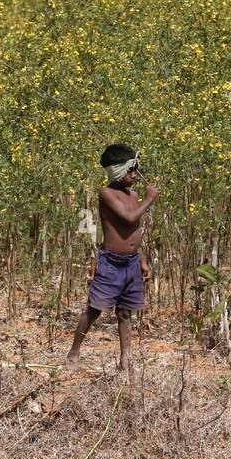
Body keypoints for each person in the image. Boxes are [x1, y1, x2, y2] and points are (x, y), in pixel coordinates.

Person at [66, 143, 159, 370]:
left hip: (131, 263)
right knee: (94, 308)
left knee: (125, 312)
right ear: (118, 172)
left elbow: (133, 231)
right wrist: (149, 199)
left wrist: (142, 259)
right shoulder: (106, 194)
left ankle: (125, 360)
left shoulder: (133, 194)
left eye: (135, 170)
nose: (134, 175)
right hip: (110, 263)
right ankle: (74, 351)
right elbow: (128, 218)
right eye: (130, 171)